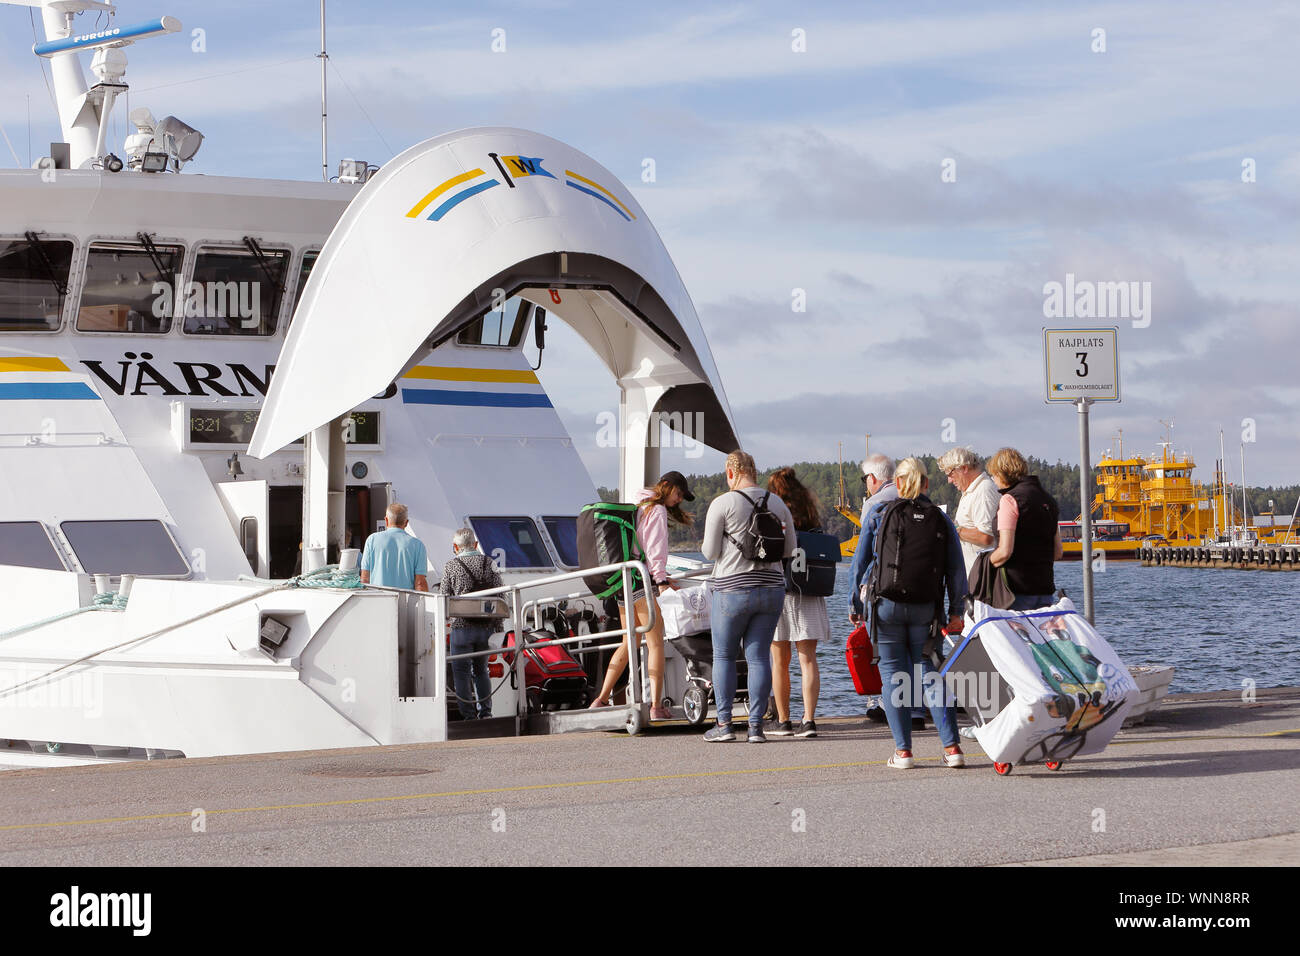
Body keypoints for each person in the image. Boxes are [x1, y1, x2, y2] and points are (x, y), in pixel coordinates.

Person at [863, 457, 967, 769]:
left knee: (894, 677)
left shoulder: (880, 514)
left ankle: (904, 753)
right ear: (925, 484)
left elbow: (860, 564)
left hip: (887, 607)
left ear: (897, 483)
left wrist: (857, 606)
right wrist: (956, 609)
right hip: (927, 609)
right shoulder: (940, 518)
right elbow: (956, 569)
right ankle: (952, 749)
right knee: (932, 676)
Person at [700, 451, 796, 743]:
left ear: (731, 473)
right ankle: (756, 727)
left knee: (725, 655)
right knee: (758, 658)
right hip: (771, 589)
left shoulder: (723, 503)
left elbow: (709, 552)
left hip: (732, 590)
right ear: (754, 472)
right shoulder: (777, 503)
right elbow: (790, 548)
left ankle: (725, 725)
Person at [588, 471, 695, 721]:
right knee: (655, 642)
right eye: (679, 494)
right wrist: (661, 581)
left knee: (629, 642)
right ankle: (656, 706)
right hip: (642, 581)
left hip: (625, 580)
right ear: (667, 487)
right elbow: (655, 551)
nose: (679, 500)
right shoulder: (656, 511)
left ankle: (601, 699)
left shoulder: (639, 506)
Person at [846, 454, 917, 726]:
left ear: (873, 479)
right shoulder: (912, 499)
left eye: (866, 480)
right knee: (915, 651)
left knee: (886, 652)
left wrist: (856, 601)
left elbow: (864, 556)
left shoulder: (874, 504)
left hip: (883, 586)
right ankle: (916, 708)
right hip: (917, 586)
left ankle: (891, 707)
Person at [766, 467, 827, 738]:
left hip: (780, 590)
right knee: (808, 660)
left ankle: (783, 720)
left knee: (780, 661)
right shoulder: (810, 513)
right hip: (810, 590)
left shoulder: (774, 512)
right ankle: (809, 720)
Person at [986, 447, 1062, 611]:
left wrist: (984, 564)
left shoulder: (1010, 499)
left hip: (1015, 592)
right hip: (1045, 589)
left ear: (1002, 473)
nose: (994, 480)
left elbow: (1005, 551)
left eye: (994, 475)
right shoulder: (1048, 500)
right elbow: (1057, 552)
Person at [441, 528, 503, 720]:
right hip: (486, 627)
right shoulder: (489, 563)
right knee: (481, 671)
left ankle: (468, 716)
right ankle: (486, 713)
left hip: (461, 628)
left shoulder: (451, 566)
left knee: (461, 673)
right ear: (475, 545)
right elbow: (501, 594)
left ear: (455, 547)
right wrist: (498, 626)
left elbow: (444, 596)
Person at [938, 447, 1002, 576]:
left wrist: (954, 528)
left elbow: (986, 537)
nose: (949, 480)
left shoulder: (983, 490)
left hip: (984, 582)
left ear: (964, 468)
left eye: (950, 473)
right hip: (974, 578)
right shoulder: (971, 491)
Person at [359, 503, 429, 591]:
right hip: (405, 602)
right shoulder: (418, 545)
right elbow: (420, 583)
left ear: (386, 520)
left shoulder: (372, 540)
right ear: (406, 522)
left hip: (377, 600)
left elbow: (365, 578)